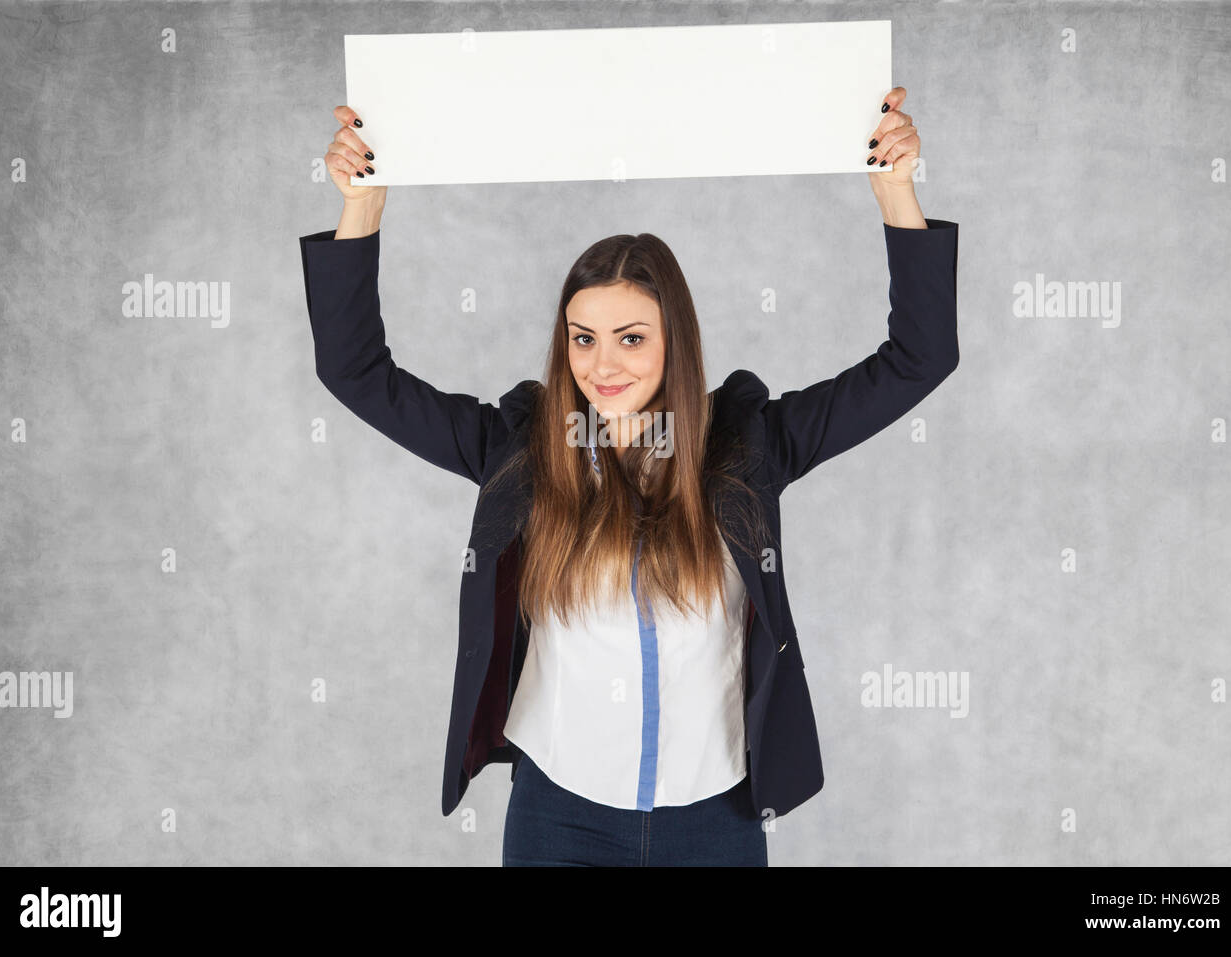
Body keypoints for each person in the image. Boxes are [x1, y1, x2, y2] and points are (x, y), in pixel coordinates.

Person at [300, 88, 958, 866]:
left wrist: (895, 191)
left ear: (673, 339)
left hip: (714, 819)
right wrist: (362, 208)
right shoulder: (523, 449)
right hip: (559, 817)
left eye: (631, 337)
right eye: (583, 338)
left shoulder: (749, 444)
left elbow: (918, 358)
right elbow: (355, 371)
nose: (602, 365)